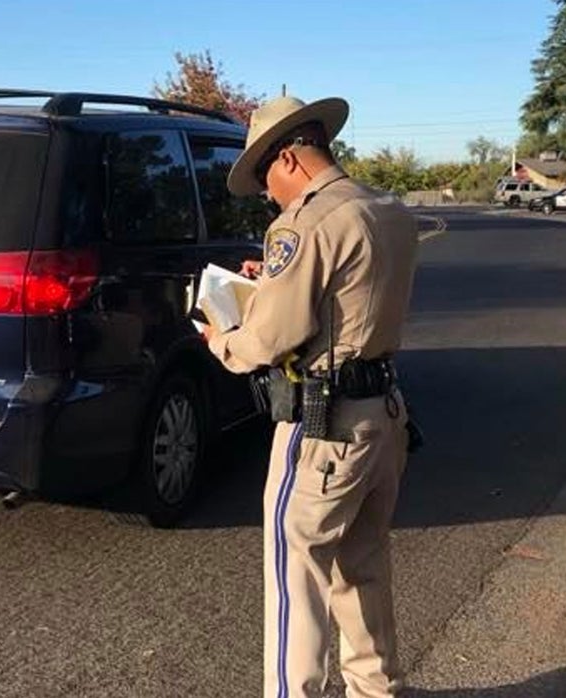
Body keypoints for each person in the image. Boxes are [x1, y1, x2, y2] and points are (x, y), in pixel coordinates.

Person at [198, 95, 419, 697]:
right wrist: (272, 281)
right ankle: (377, 690)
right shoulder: (386, 209)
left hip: (326, 425)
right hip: (384, 414)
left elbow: (273, 337)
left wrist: (223, 338)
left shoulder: (305, 221)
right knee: (363, 566)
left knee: (295, 570)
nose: (269, 195)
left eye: (266, 178)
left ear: (290, 158)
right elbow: (349, 296)